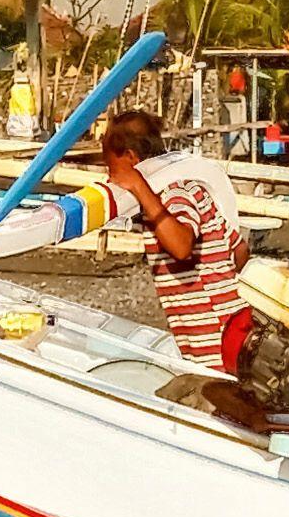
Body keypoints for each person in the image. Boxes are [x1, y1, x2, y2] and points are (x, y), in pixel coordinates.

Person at [96, 106, 251, 371]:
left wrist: (138, 187)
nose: (110, 177)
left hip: (216, 337)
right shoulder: (192, 189)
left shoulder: (174, 194)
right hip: (222, 330)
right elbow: (240, 251)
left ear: (131, 158)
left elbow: (181, 246)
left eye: (112, 168)